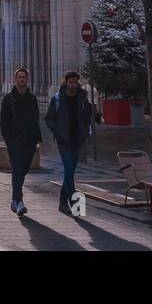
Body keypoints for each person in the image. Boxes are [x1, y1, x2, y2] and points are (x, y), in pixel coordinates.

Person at [44, 70, 93, 215]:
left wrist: (85, 132)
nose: (72, 85)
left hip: (77, 140)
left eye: (75, 82)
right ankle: (74, 203)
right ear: (66, 82)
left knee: (69, 172)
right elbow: (49, 118)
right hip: (63, 141)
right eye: (70, 82)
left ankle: (61, 202)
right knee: (69, 169)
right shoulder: (58, 99)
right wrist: (58, 132)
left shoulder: (83, 98)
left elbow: (87, 117)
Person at [0, 67, 42, 216]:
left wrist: (37, 138)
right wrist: (9, 140)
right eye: (19, 77)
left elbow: (36, 118)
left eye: (24, 77)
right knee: (17, 169)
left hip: (29, 142)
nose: (22, 79)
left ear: (27, 79)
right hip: (15, 141)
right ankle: (19, 202)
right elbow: (3, 121)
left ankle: (14, 200)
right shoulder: (9, 98)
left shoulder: (32, 98)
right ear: (15, 79)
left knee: (22, 171)